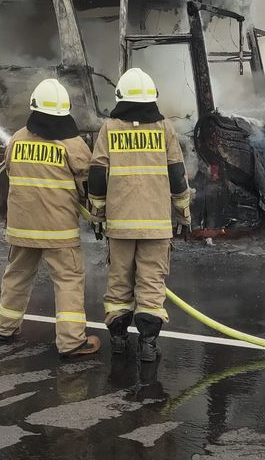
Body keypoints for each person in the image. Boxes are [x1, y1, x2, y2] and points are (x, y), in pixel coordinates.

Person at [88, 67, 191, 362]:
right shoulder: (164, 128)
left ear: (120, 96)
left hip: (120, 225)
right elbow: (177, 175)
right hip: (156, 226)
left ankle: (118, 341)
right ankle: (148, 346)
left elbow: (97, 173)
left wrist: (97, 214)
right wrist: (184, 213)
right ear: (152, 98)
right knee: (151, 284)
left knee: (119, 283)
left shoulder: (109, 128)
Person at [0, 78, 100, 359]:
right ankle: (71, 342)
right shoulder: (74, 146)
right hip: (59, 231)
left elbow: (10, 174)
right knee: (68, 281)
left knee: (16, 276)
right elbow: (87, 187)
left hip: (21, 228)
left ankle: (6, 328)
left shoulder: (17, 139)